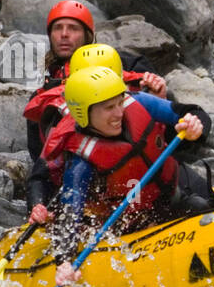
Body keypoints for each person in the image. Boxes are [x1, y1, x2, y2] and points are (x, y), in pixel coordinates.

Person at [42, 65, 214, 287]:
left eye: (119, 102)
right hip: (131, 229)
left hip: (170, 198)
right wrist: (64, 262)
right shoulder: (81, 161)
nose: (118, 113)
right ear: (84, 113)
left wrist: (195, 125)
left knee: (200, 207)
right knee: (197, 208)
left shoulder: (138, 103)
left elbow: (192, 111)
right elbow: (69, 216)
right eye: (108, 108)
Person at [26, 42, 168, 225]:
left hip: (150, 196)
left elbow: (180, 145)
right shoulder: (63, 124)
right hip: (92, 206)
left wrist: (162, 100)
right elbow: (40, 175)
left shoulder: (140, 102)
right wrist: (38, 206)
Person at [24, 4, 166, 167]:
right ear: (50, 35)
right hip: (83, 165)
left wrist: (159, 94)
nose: (64, 34)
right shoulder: (43, 95)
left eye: (73, 28)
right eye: (57, 28)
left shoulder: (124, 63)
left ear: (87, 35)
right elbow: (39, 156)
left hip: (142, 154)